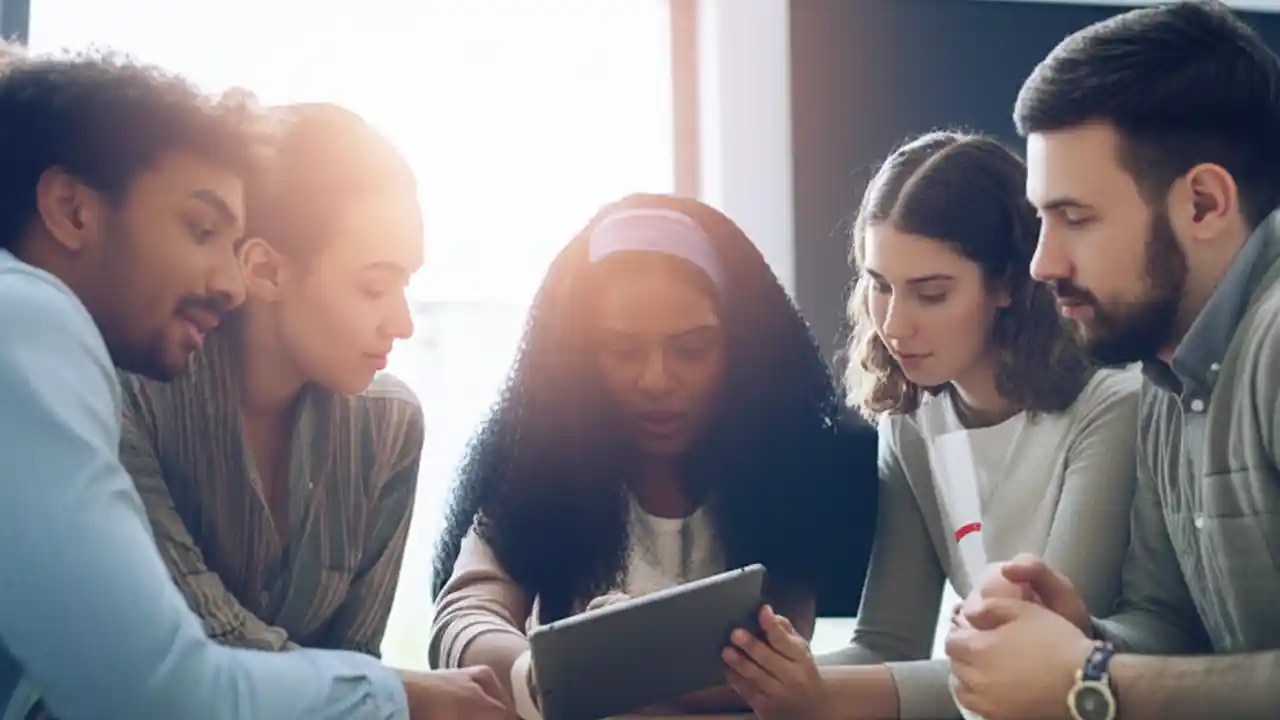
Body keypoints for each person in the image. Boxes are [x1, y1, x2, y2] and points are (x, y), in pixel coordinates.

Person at [0, 52, 508, 719]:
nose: (228, 282)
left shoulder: (382, 426)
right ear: (71, 209)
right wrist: (405, 699)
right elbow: (162, 689)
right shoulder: (32, 320)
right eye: (201, 230)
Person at [720, 131, 1141, 719]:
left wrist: (817, 696)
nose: (894, 325)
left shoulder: (1110, 407)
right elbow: (888, 643)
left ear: (1008, 285)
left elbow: (1040, 663)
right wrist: (745, 682)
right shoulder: (914, 421)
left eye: (931, 293)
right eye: (880, 285)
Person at [949, 3, 1280, 719]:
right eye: (1041, 219)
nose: (1041, 261)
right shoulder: (1165, 366)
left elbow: (1116, 682)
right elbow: (1175, 627)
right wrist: (1083, 637)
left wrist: (1091, 677)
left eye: (1076, 218)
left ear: (1202, 203)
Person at [429, 193, 874, 717]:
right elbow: (462, 619)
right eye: (622, 350)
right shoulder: (540, 469)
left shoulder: (785, 480)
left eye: (691, 349)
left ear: (741, 351)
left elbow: (769, 659)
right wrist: (542, 673)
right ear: (581, 355)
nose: (656, 380)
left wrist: (612, 659)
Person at [119, 103, 422, 657]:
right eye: (375, 288)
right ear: (266, 271)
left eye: (407, 285)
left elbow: (356, 661)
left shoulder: (389, 427)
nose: (402, 324)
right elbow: (189, 643)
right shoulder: (134, 396)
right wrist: (411, 698)